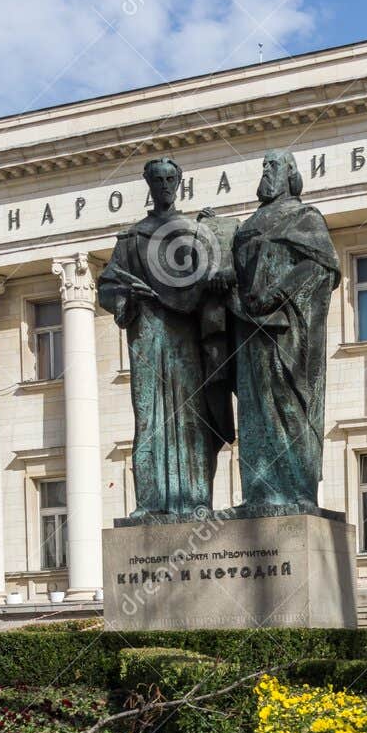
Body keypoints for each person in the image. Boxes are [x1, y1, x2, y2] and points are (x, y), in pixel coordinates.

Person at [97, 158, 232, 518]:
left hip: (188, 338)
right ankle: (151, 503)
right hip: (148, 336)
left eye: (170, 178)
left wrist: (216, 277)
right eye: (157, 180)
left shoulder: (195, 233)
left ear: (179, 181)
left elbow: (214, 280)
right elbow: (108, 286)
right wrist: (128, 295)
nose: (165, 185)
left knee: (193, 418)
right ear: (149, 184)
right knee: (149, 417)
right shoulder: (131, 239)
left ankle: (196, 499)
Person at [229, 150, 340, 513]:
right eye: (264, 165)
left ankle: (296, 491)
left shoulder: (305, 218)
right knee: (253, 408)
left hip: (287, 331)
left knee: (288, 402)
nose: (266, 171)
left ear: (290, 174)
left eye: (273, 166)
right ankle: (259, 494)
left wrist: (277, 293)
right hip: (250, 329)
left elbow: (322, 268)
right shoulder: (248, 225)